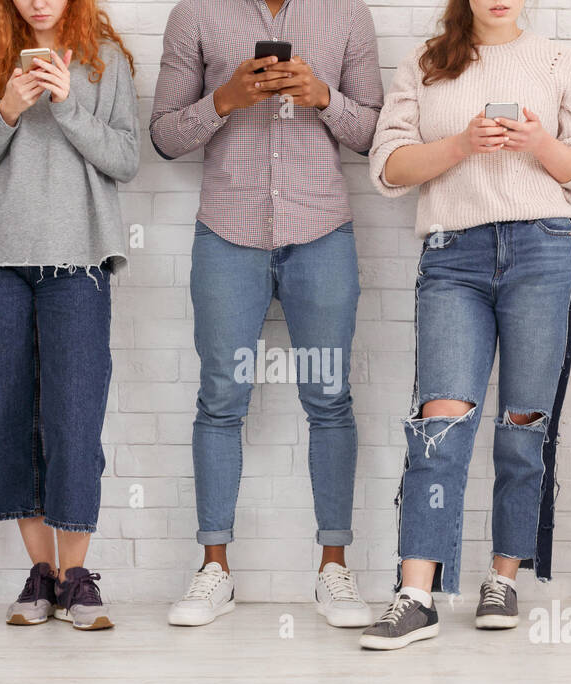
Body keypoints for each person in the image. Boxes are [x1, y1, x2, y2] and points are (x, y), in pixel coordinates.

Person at [361, 0, 571, 650]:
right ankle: (416, 594)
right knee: (439, 422)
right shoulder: (426, 60)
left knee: (523, 422)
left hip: (543, 250)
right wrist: (463, 144)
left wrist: (540, 143)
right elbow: (386, 169)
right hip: (453, 255)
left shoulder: (559, 60)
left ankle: (504, 577)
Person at [150, 0, 384, 628]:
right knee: (221, 399)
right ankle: (214, 570)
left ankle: (334, 568)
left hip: (322, 230)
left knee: (329, 399)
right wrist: (224, 99)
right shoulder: (194, 13)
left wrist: (322, 95)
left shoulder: (347, 13)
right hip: (226, 232)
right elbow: (165, 136)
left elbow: (374, 136)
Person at [0, 0, 138, 630]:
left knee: (74, 418)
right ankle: (42, 574)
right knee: (5, 416)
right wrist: (5, 109)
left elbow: (126, 159)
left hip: (79, 260)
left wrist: (66, 104)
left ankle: (77, 576)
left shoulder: (106, 61)